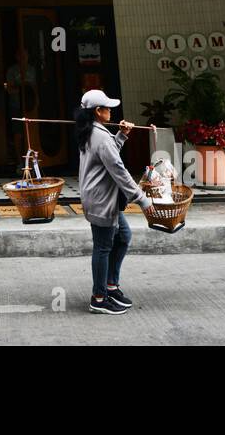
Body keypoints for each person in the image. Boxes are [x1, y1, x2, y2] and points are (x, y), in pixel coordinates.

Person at [75, 89, 152, 314]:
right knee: (102, 247)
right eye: (107, 107)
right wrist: (142, 199)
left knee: (123, 237)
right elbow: (118, 170)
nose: (111, 111)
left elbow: (109, 158)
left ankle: (110, 286)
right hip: (101, 201)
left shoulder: (94, 132)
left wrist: (120, 136)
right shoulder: (99, 135)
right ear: (98, 112)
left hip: (101, 199)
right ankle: (98, 298)